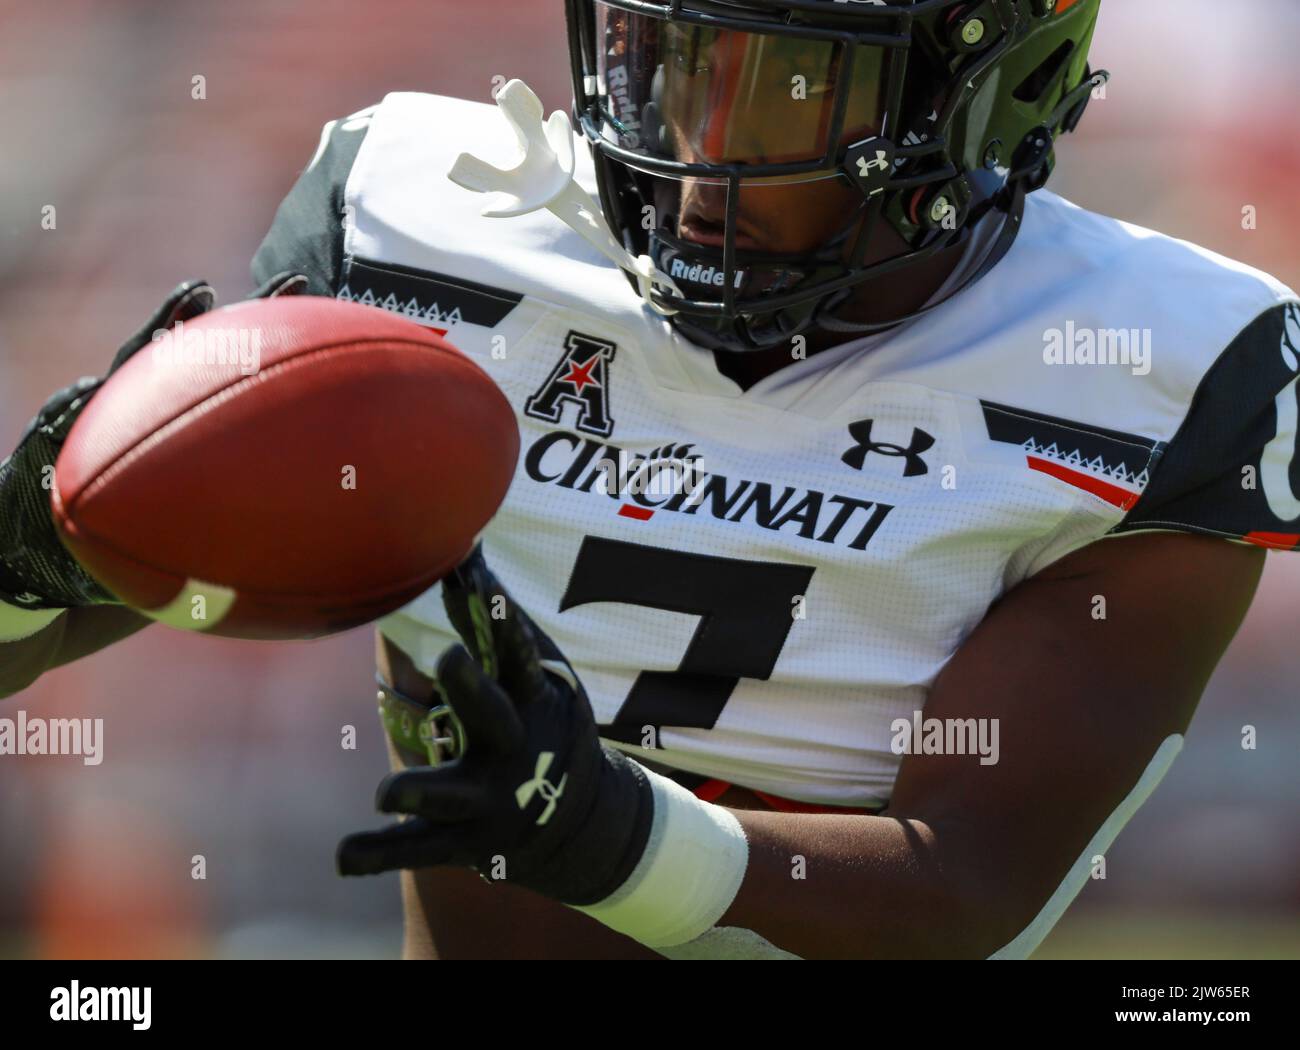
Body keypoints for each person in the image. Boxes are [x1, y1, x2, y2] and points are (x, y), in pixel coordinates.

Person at [2, 0, 1297, 959]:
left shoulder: (1162, 364)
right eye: (660, 56)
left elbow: (964, 884)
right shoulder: (418, 213)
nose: (697, 145)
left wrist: (619, 835)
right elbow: (64, 620)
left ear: (977, 93)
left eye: (788, 80)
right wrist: (31, 564)